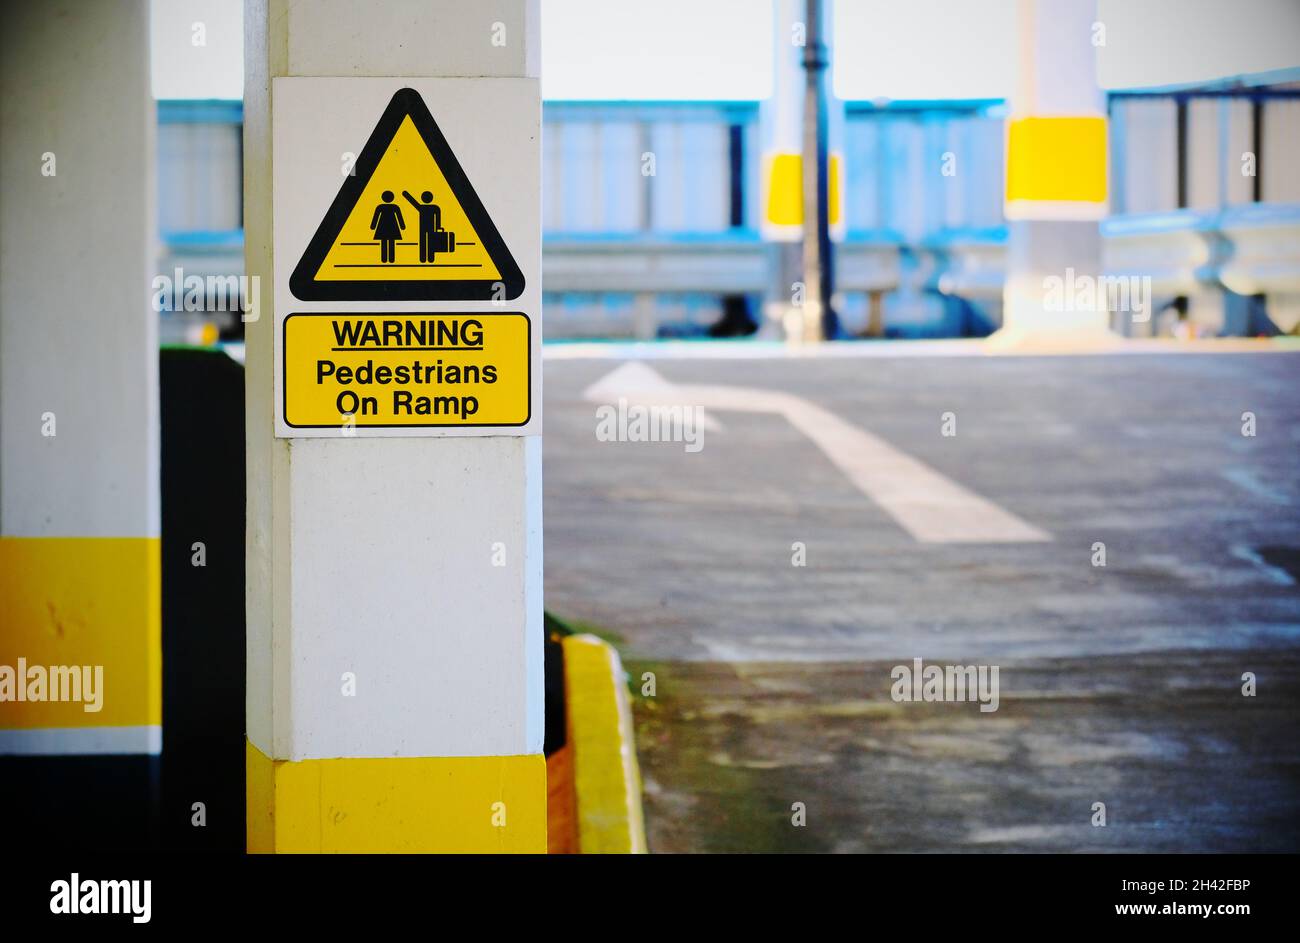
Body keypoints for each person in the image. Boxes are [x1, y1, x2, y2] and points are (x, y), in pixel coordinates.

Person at [402, 189, 443, 263]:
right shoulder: (435, 208)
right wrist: (438, 227)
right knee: (429, 242)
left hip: (424, 227)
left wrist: (405, 194)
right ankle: (430, 258)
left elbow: (414, 203)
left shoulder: (422, 207)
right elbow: (438, 218)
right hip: (431, 227)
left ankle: (423, 258)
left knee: (424, 241)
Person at [370, 191, 405, 263]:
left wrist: (373, 226)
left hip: (382, 227)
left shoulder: (380, 207)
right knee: (391, 243)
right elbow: (399, 217)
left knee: (384, 243)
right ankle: (391, 259)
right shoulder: (395, 207)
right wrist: (402, 226)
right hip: (392, 227)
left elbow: (376, 217)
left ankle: (384, 259)